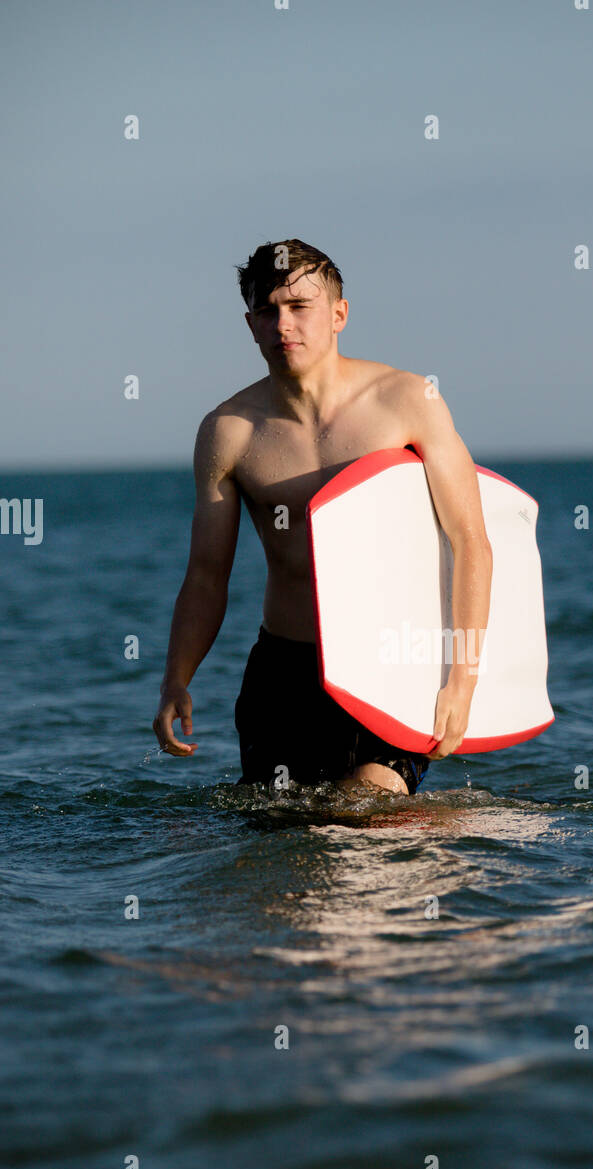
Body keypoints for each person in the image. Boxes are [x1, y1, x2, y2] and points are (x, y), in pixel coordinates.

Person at [152, 238, 493, 795]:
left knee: (366, 816)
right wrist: (175, 680)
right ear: (251, 324)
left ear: (339, 314)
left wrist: (463, 682)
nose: (284, 323)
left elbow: (471, 542)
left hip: (385, 661)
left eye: (300, 306)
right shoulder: (230, 432)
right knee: (282, 853)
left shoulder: (407, 403)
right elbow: (207, 575)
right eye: (268, 310)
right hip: (284, 670)